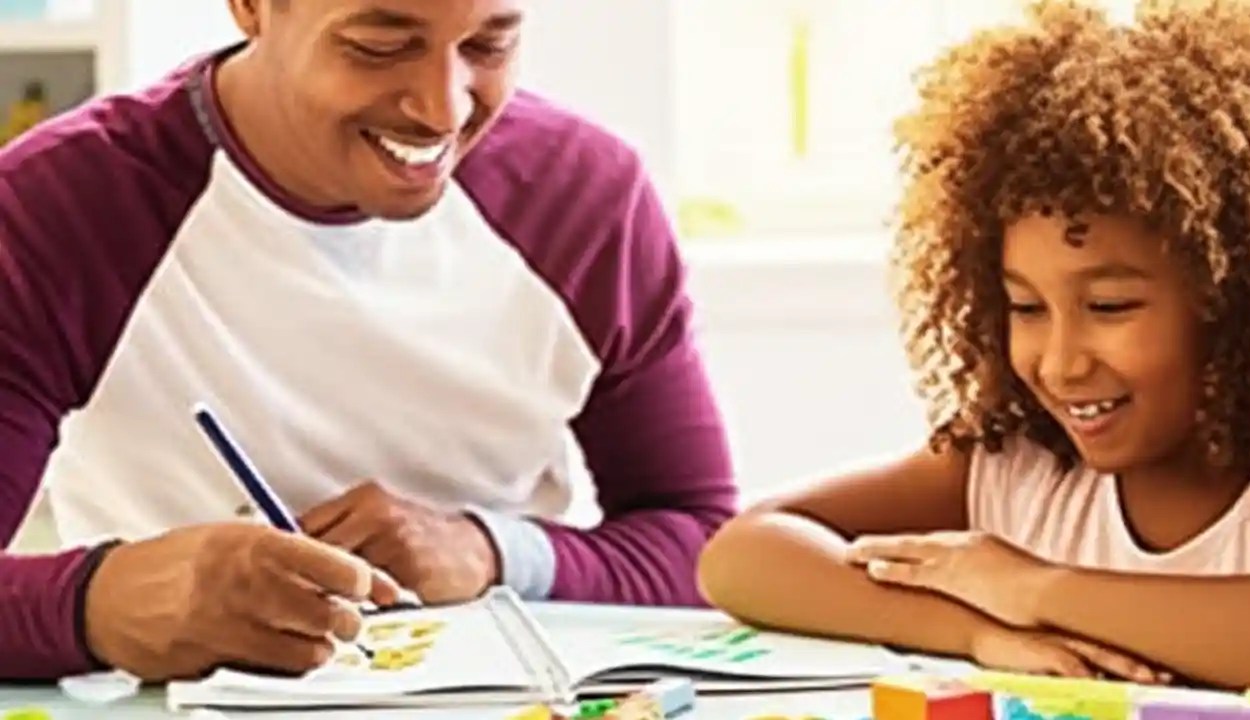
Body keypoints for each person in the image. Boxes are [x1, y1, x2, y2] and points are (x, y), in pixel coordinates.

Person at [0, 0, 736, 682]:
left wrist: (491, 551)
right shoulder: (58, 209)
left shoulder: (584, 197)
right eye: (379, 46)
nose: (443, 108)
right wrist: (97, 604)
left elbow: (706, 546)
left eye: (490, 43)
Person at [698, 0, 1250, 691]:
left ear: (1240, 299)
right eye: (1026, 307)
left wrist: (1035, 588)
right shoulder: (1021, 473)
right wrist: (977, 628)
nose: (1061, 362)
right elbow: (742, 556)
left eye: (1109, 307)